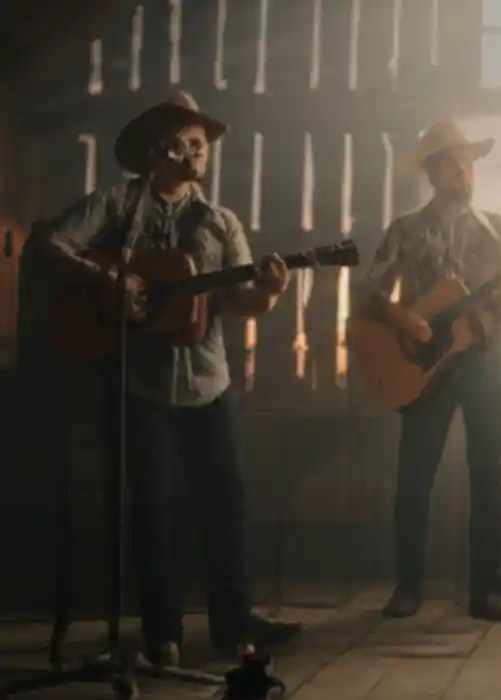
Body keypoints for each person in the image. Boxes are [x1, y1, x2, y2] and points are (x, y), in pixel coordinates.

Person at [32, 92, 301, 667]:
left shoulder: (220, 222)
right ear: (159, 148)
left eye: (203, 143)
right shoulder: (117, 205)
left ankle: (233, 627)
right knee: (151, 507)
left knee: (224, 499)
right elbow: (45, 246)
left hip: (209, 380)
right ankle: (163, 634)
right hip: (139, 381)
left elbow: (241, 298)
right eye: (186, 140)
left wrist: (271, 292)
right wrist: (107, 282)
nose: (198, 151)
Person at [358, 119, 501, 622]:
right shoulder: (405, 230)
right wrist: (403, 316)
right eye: (453, 162)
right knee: (415, 476)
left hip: (486, 360)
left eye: (470, 161)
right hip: (423, 365)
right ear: (432, 172)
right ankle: (408, 587)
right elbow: (368, 291)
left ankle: (487, 590)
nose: (465, 170)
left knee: (487, 474)